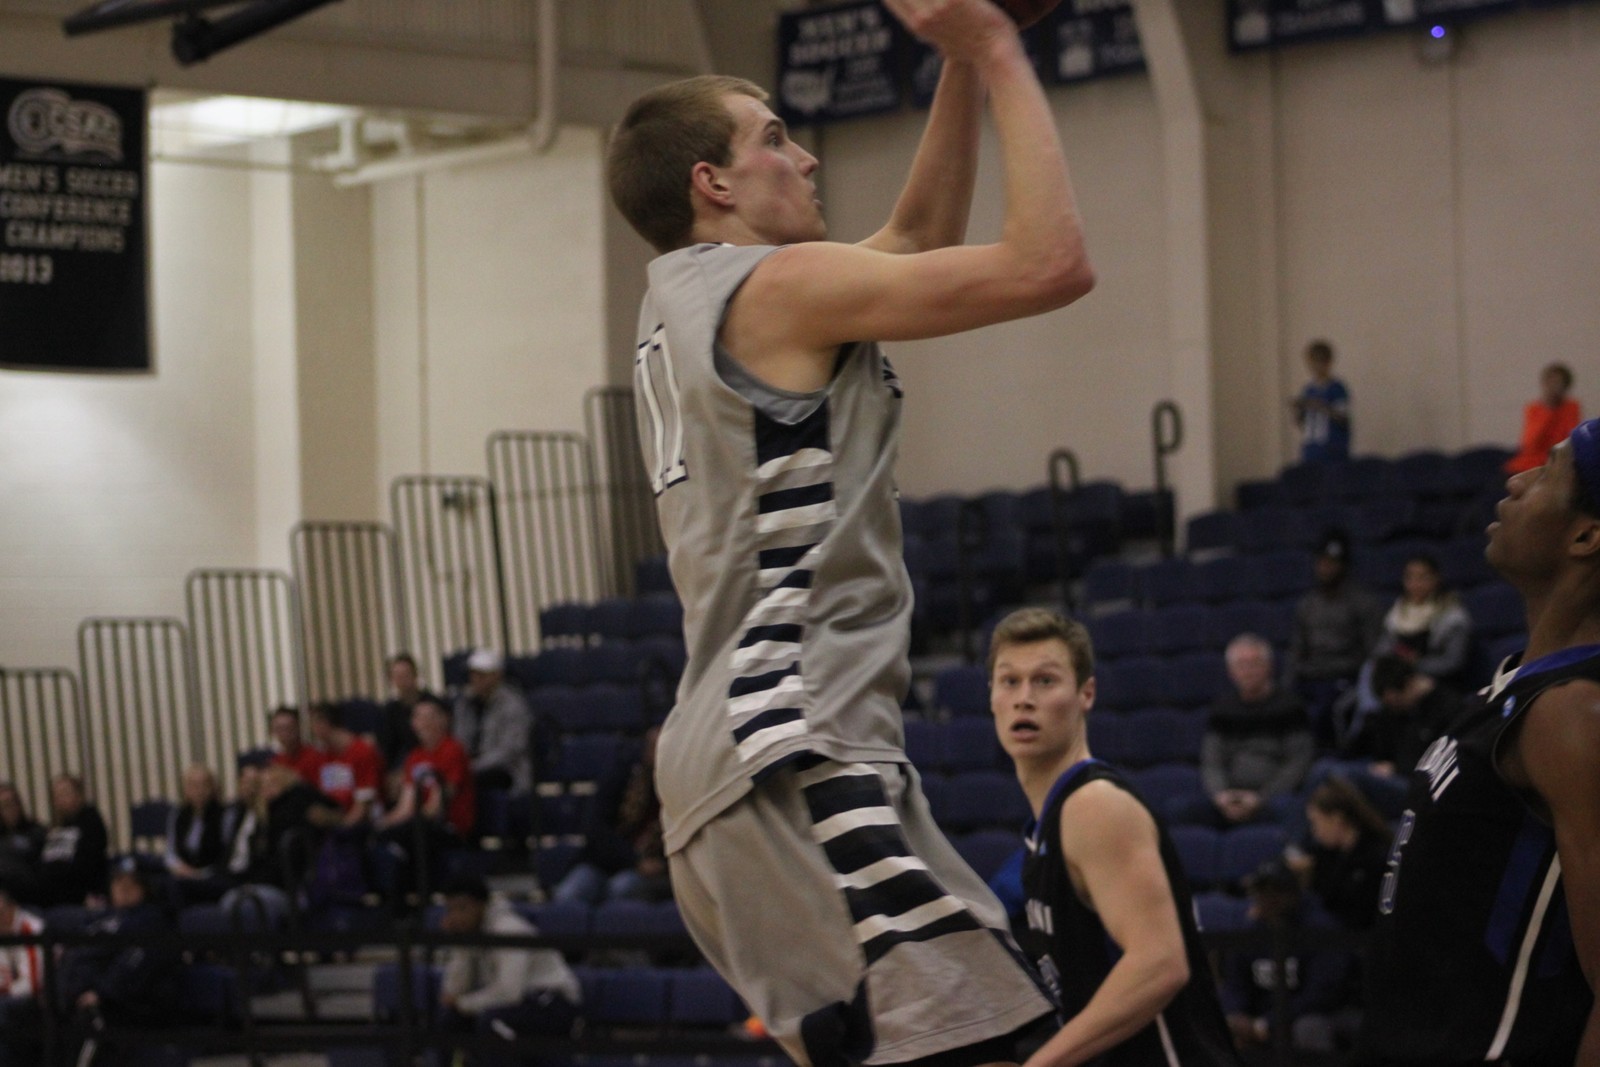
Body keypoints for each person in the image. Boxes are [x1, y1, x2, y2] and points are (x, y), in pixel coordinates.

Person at [605, 0, 1095, 1059]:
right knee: (998, 1045)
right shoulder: (778, 287)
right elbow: (1052, 263)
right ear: (714, 184)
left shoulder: (692, 297)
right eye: (774, 137)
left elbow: (916, 237)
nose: (808, 155)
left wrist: (966, 54)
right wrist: (1005, 52)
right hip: (790, 747)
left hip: (749, 748)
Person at [1360, 417, 1600, 1065]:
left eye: (1548, 471)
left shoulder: (1576, 712)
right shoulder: (1510, 685)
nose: (1516, 480)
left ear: (1587, 534)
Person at [989, 608, 1239, 1067]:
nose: (1024, 698)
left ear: (1086, 693)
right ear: (991, 696)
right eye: (1009, 681)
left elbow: (1160, 963)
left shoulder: (1093, 805)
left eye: (1045, 681)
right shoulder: (1043, 832)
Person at [437, 874, 582, 1065]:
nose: (456, 916)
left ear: (481, 905)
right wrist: (460, 943)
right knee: (450, 1021)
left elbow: (509, 993)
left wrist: (463, 1003)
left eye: (462, 908)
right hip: (517, 1005)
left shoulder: (508, 929)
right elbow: (452, 993)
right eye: (451, 910)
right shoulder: (472, 934)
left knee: (493, 1023)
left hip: (552, 1002)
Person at [1219, 860, 1359, 1058]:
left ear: (1292, 894)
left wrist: (1266, 1024)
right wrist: (1235, 1015)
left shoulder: (1321, 928)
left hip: (1317, 1014)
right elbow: (1235, 984)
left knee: (1308, 1028)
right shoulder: (1250, 930)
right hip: (1263, 1017)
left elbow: (1321, 995)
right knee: (1221, 1028)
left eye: (1273, 892)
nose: (1264, 899)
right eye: (1260, 891)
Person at [57, 864, 182, 1063]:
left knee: (88, 1026)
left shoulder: (152, 919)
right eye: (118, 882)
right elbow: (75, 954)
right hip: (76, 996)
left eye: (130, 883)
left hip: (121, 1005)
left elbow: (135, 963)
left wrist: (101, 993)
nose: (123, 888)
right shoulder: (102, 917)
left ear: (144, 887)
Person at [1197, 635, 1314, 827]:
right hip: (1230, 795)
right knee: (1182, 810)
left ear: (1269, 667)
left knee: (1292, 810)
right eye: (1241, 665)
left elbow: (1297, 763)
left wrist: (1262, 797)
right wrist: (1221, 795)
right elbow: (1212, 761)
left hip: (1273, 796)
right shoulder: (1222, 709)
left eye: (1254, 664)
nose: (1248, 672)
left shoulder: (1291, 707)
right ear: (1231, 671)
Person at [550, 725, 669, 905]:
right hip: (603, 863)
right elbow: (595, 828)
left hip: (653, 869)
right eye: (654, 747)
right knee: (570, 894)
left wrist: (659, 865)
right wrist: (634, 860)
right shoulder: (622, 776)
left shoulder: (679, 789)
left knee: (621, 889)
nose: (658, 754)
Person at [1285, 531, 1384, 743]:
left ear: (1344, 565)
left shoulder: (1362, 602)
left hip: (1345, 677)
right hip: (1311, 676)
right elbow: (1297, 649)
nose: (1326, 568)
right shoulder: (1307, 604)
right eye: (1322, 562)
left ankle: (1332, 759)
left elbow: (1372, 651)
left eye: (1332, 563)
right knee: (1281, 705)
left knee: (1328, 709)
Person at [379, 697, 474, 903]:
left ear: (442, 721)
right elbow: (406, 804)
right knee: (382, 835)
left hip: (449, 825)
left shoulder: (452, 749)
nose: (421, 723)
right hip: (420, 822)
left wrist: (409, 820)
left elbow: (439, 804)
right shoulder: (415, 757)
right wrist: (382, 824)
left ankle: (415, 903)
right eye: (418, 718)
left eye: (428, 717)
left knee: (413, 834)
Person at [1283, 776, 1392, 931]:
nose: (1314, 831)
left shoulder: (1376, 856)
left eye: (1316, 822)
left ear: (1336, 819)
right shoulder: (1325, 854)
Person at [454, 649, 533, 795]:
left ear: (497, 675)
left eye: (482, 675)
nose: (476, 679)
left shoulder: (512, 705)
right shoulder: (465, 703)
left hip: (507, 770)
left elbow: (510, 750)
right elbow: (460, 740)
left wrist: (474, 766)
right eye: (473, 674)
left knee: (471, 781)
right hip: (472, 766)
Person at [307, 702, 385, 827]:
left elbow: (363, 807)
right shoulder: (321, 755)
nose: (312, 730)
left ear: (324, 724)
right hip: (333, 820)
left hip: (361, 825)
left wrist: (341, 831)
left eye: (313, 724)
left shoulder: (362, 752)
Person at [163, 763, 232, 906]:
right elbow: (170, 851)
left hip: (211, 875)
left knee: (176, 888)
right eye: (193, 785)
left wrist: (199, 874)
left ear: (213, 788)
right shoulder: (177, 815)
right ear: (185, 789)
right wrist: (178, 867)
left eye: (204, 785)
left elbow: (227, 854)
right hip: (182, 873)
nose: (199, 790)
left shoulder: (225, 815)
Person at [37, 774, 109, 908]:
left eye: (65, 793)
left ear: (79, 795)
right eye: (56, 796)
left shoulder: (91, 822)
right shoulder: (57, 828)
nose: (61, 800)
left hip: (80, 893)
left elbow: (88, 863)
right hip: (54, 892)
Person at [1506, 362, 1580, 474]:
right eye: (1551, 382)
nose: (1554, 387)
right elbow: (1529, 444)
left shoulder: (1571, 407)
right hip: (1530, 465)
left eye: (1559, 383)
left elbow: (1571, 439)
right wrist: (1548, 409)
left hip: (1558, 464)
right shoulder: (1534, 409)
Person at [0, 882, 45, 1067]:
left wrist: (6, 988)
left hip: (40, 1001)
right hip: (9, 997)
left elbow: (32, 985)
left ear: (12, 908)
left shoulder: (32, 929)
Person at [1291, 339, 1351, 464]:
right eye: (1313, 362)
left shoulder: (1337, 388)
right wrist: (1299, 411)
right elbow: (1303, 423)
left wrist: (1320, 406)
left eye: (1320, 361)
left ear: (1328, 362)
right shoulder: (1308, 390)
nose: (1316, 366)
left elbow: (1343, 419)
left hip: (1332, 450)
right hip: (1311, 449)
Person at [377, 652, 437, 770]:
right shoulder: (389, 711)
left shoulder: (433, 704)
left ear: (415, 675)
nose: (402, 681)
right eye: (398, 676)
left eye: (406, 675)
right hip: (400, 767)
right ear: (392, 680)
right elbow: (386, 748)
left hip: (432, 762)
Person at [0, 783, 45, 905]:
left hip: (28, 897)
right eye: (5, 806)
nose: (10, 809)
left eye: (13, 803)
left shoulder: (36, 832)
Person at [269, 705, 325, 786]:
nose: (284, 733)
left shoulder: (316, 757)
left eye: (288, 728)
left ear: (298, 727)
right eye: (279, 729)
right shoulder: (276, 762)